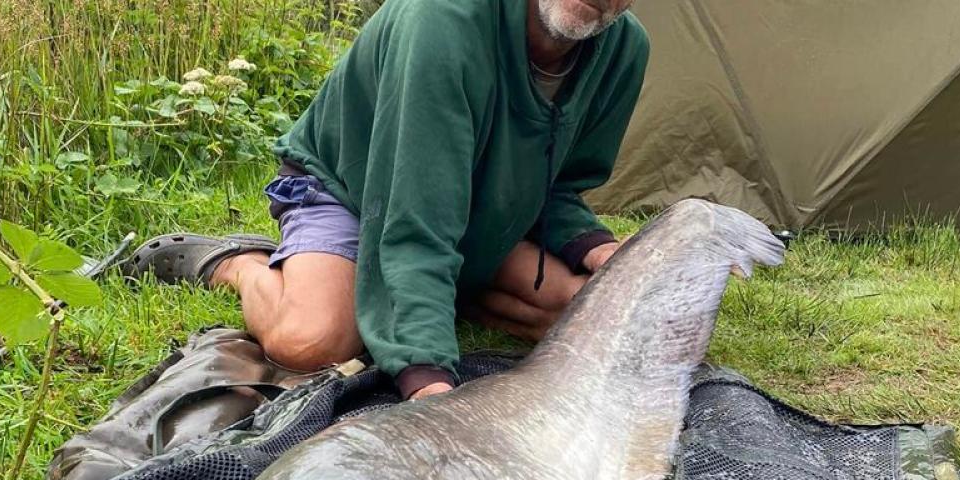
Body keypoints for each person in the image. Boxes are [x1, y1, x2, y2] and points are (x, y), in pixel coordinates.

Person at [123, 0, 649, 400]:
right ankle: (236, 264)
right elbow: (414, 213)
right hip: (350, 190)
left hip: (469, 207)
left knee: (579, 311)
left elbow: (558, 185)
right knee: (311, 342)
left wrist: (599, 250)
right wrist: (427, 379)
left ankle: (420, 294)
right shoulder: (441, 21)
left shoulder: (624, 51)